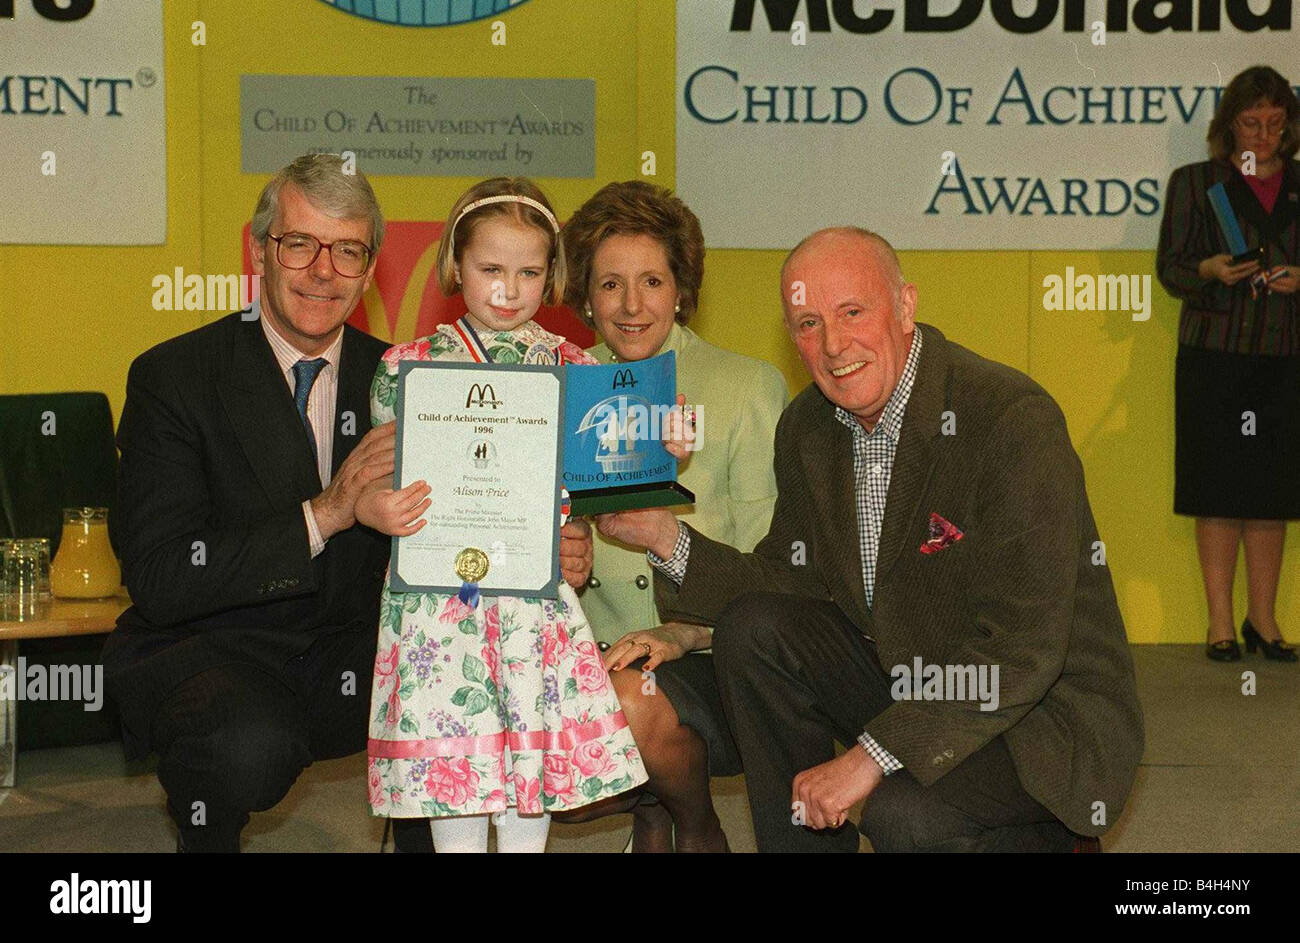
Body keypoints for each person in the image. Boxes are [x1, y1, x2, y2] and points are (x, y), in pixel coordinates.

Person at [101, 154, 596, 853]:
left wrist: (554, 544)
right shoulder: (175, 377)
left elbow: (478, 514)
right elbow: (159, 573)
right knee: (247, 744)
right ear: (259, 250)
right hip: (218, 646)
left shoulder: (414, 373)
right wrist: (325, 513)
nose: (322, 270)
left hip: (360, 641)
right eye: (300, 244)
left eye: (347, 251)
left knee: (460, 666)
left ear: (370, 270)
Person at [598, 227, 1145, 852]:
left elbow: (1024, 648)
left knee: (903, 813)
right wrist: (667, 537)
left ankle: (1053, 837)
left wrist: (869, 757)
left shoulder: (1008, 418)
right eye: (807, 323)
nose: (833, 345)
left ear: (906, 305)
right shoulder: (808, 426)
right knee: (757, 627)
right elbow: (790, 579)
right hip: (909, 678)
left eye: (852, 312)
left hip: (1034, 714)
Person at [360, 177, 647, 853]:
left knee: (527, 766)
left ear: (552, 275)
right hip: (438, 605)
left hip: (530, 602)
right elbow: (378, 477)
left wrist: (655, 440)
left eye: (528, 271)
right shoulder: (405, 370)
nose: (508, 288)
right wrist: (378, 507)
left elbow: (601, 478)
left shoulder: (573, 368)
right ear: (456, 265)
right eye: (491, 268)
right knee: (452, 764)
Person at [553, 180, 785, 852]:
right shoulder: (558, 386)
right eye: (610, 284)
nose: (632, 305)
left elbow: (771, 568)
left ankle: (695, 823)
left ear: (682, 290)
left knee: (627, 701)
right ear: (585, 297)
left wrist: (685, 633)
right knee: (536, 757)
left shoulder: (747, 388)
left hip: (709, 653)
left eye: (653, 281)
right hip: (581, 649)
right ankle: (659, 805)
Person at [1157, 65, 1300, 663]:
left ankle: (1262, 621)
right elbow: (1170, 268)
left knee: (1272, 495)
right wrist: (1211, 271)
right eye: (1251, 122)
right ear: (1228, 124)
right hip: (1214, 357)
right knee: (1217, 491)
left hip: (1283, 357)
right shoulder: (1197, 184)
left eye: (1275, 122)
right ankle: (1219, 622)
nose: (1263, 134)